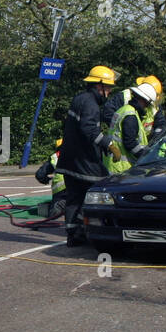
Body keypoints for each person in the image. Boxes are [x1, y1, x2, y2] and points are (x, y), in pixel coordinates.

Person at [58, 65, 117, 246]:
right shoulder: (91, 104)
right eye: (107, 88)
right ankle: (101, 230)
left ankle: (73, 234)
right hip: (84, 161)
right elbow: (89, 129)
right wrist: (108, 143)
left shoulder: (79, 99)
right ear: (99, 86)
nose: (108, 92)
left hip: (69, 160)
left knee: (74, 198)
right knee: (101, 190)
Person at [106, 82, 157, 174]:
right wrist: (145, 157)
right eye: (147, 104)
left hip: (114, 164)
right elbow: (130, 143)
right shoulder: (131, 115)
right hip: (121, 168)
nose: (146, 107)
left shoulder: (124, 109)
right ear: (143, 100)